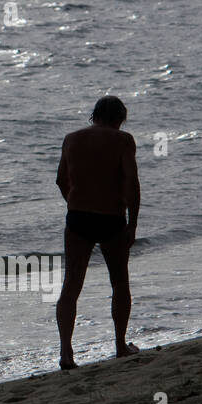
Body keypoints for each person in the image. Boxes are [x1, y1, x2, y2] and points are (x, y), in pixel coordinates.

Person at [55, 95, 141, 369]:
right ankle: (119, 345)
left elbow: (60, 179)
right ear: (119, 119)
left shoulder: (71, 139)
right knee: (119, 282)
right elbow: (131, 183)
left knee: (71, 285)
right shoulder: (123, 140)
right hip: (111, 218)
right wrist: (133, 223)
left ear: (95, 116)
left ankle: (66, 353)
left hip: (79, 217)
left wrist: (74, 202)